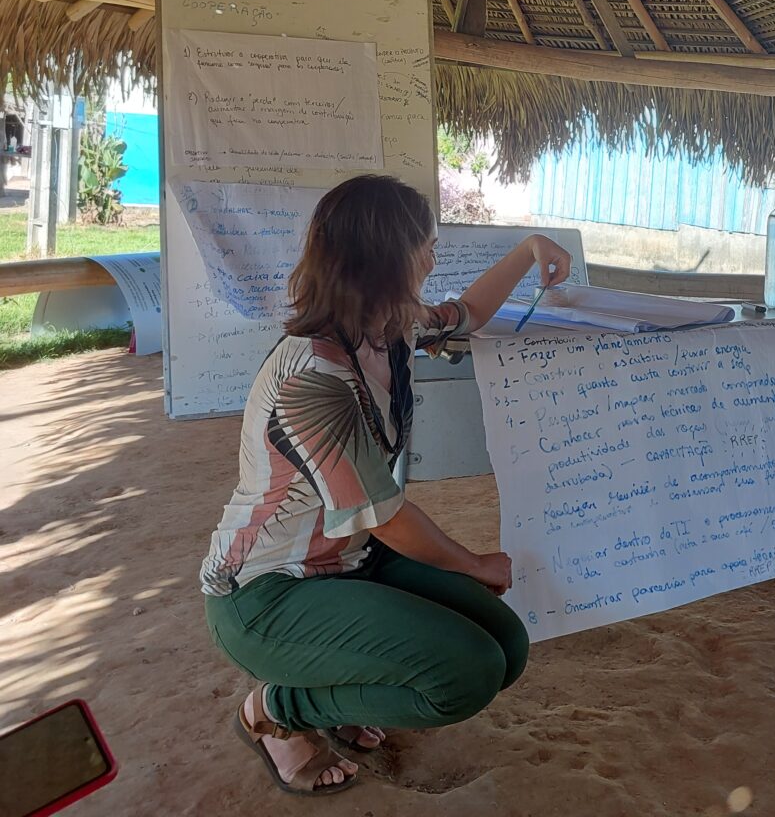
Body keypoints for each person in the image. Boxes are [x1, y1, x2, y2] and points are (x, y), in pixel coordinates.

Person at [200, 174, 571, 795]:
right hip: (267, 595)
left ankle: (336, 694)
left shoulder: (387, 327)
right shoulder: (313, 380)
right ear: (385, 262)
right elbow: (387, 517)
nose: (432, 256)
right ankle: (277, 711)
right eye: (424, 244)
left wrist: (530, 247)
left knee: (506, 644)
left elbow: (470, 313)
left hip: (350, 563)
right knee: (468, 674)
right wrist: (473, 562)